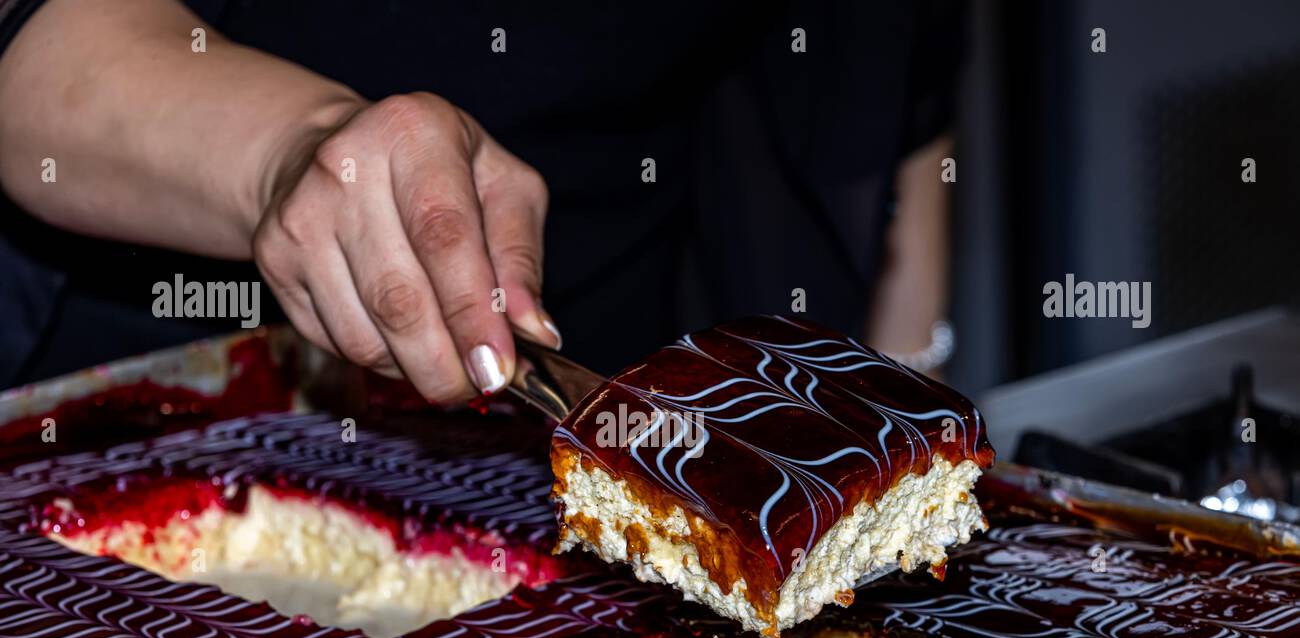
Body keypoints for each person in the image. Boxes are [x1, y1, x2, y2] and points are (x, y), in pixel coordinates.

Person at [0, 0, 963, 399]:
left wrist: (890, 406)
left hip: (606, 393)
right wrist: (296, 151)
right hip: (176, 401)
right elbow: (41, 47)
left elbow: (884, 85)